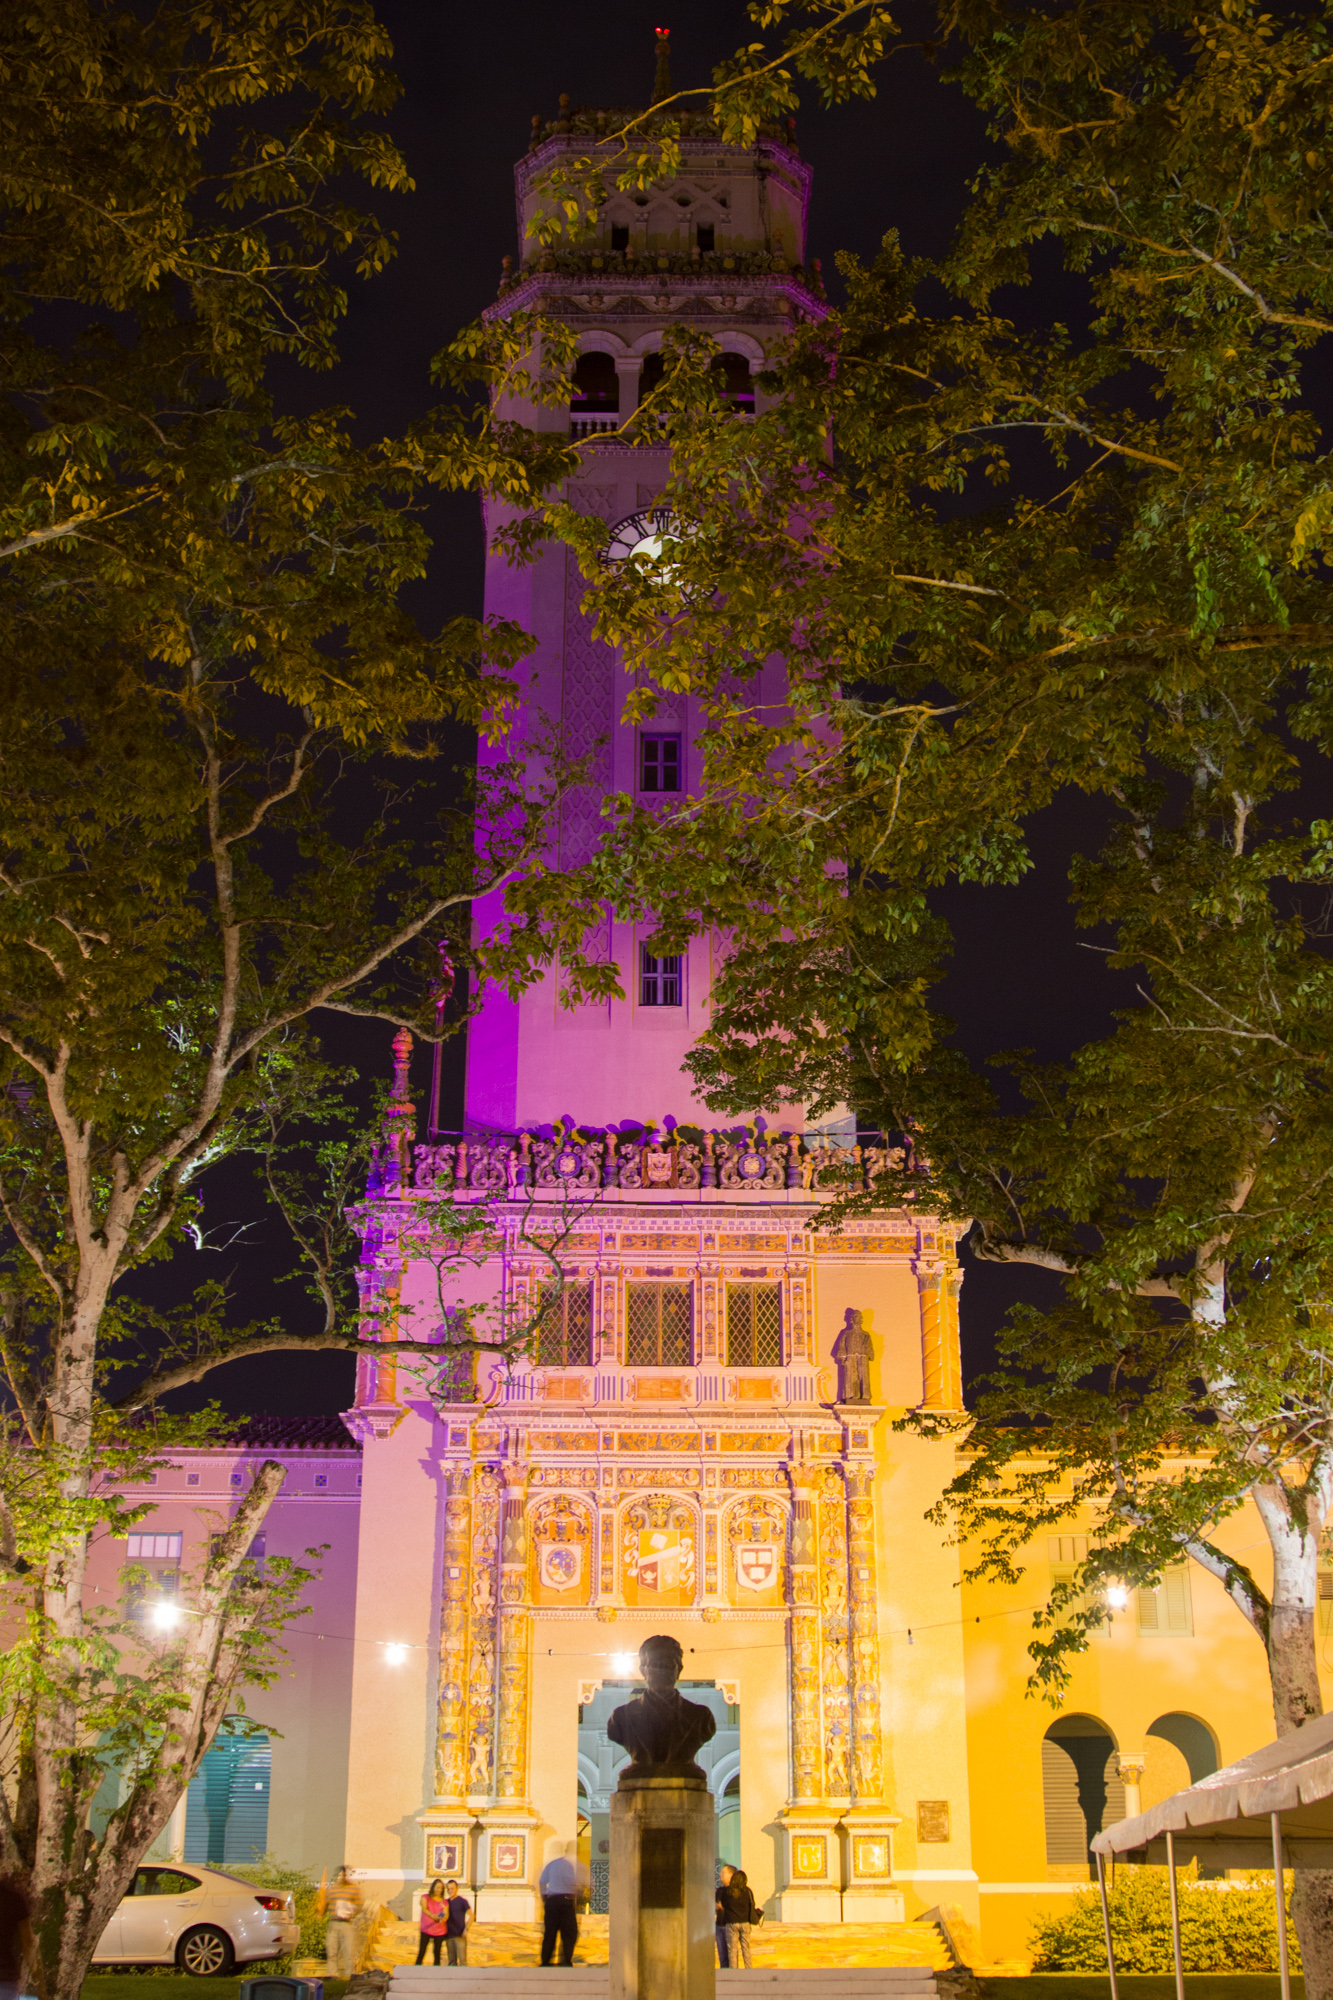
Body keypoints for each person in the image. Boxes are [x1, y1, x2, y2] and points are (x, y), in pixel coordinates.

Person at [0, 1876, 43, 2000]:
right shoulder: (13, 1898)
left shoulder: (14, 1899)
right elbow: (28, 1945)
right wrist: (41, 1988)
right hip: (5, 1980)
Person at [538, 1845, 580, 1966]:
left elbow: (542, 1881)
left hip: (552, 1901)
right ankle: (565, 1960)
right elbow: (571, 1883)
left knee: (550, 1932)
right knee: (569, 1933)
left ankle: (545, 1960)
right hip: (566, 1901)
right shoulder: (569, 1865)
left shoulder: (552, 1864)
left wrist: (544, 1897)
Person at [325, 1865, 362, 1980]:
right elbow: (325, 1903)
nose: (342, 1877)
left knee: (349, 1951)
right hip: (334, 1923)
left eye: (344, 1875)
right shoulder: (332, 1889)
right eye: (340, 1875)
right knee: (332, 1951)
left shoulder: (353, 1889)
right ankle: (333, 1974)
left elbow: (359, 1905)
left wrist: (351, 1912)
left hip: (346, 1923)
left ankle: (349, 1975)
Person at [717, 1864, 757, 1969]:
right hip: (745, 1923)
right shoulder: (747, 1891)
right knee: (746, 1948)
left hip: (731, 1923)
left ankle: (733, 1971)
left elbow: (724, 1905)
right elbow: (752, 1904)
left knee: (732, 1950)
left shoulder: (727, 1891)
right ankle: (749, 1969)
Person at [416, 1880, 448, 1967]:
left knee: (437, 1952)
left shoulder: (444, 1902)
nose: (439, 1889)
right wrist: (432, 1916)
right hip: (426, 1929)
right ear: (433, 1887)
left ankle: (436, 1973)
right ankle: (416, 1971)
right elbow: (424, 1909)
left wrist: (441, 1918)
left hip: (439, 1931)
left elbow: (445, 1913)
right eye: (437, 1887)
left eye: (441, 1888)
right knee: (422, 1951)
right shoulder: (425, 1897)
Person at [443, 1879, 472, 1967]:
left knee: (463, 1961)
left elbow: (471, 1915)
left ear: (457, 1889)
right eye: (449, 1889)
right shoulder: (446, 1903)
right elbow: (441, 1915)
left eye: (452, 1888)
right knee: (451, 1962)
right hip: (449, 1936)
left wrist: (466, 1929)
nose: (450, 1891)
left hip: (460, 1935)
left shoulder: (462, 1901)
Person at [714, 1868, 731, 1969]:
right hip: (719, 1924)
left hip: (730, 1925)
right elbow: (716, 1904)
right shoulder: (719, 1890)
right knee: (722, 1954)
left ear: (731, 1875)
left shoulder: (733, 1890)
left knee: (731, 1954)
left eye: (723, 1873)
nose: (721, 1874)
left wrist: (723, 1905)